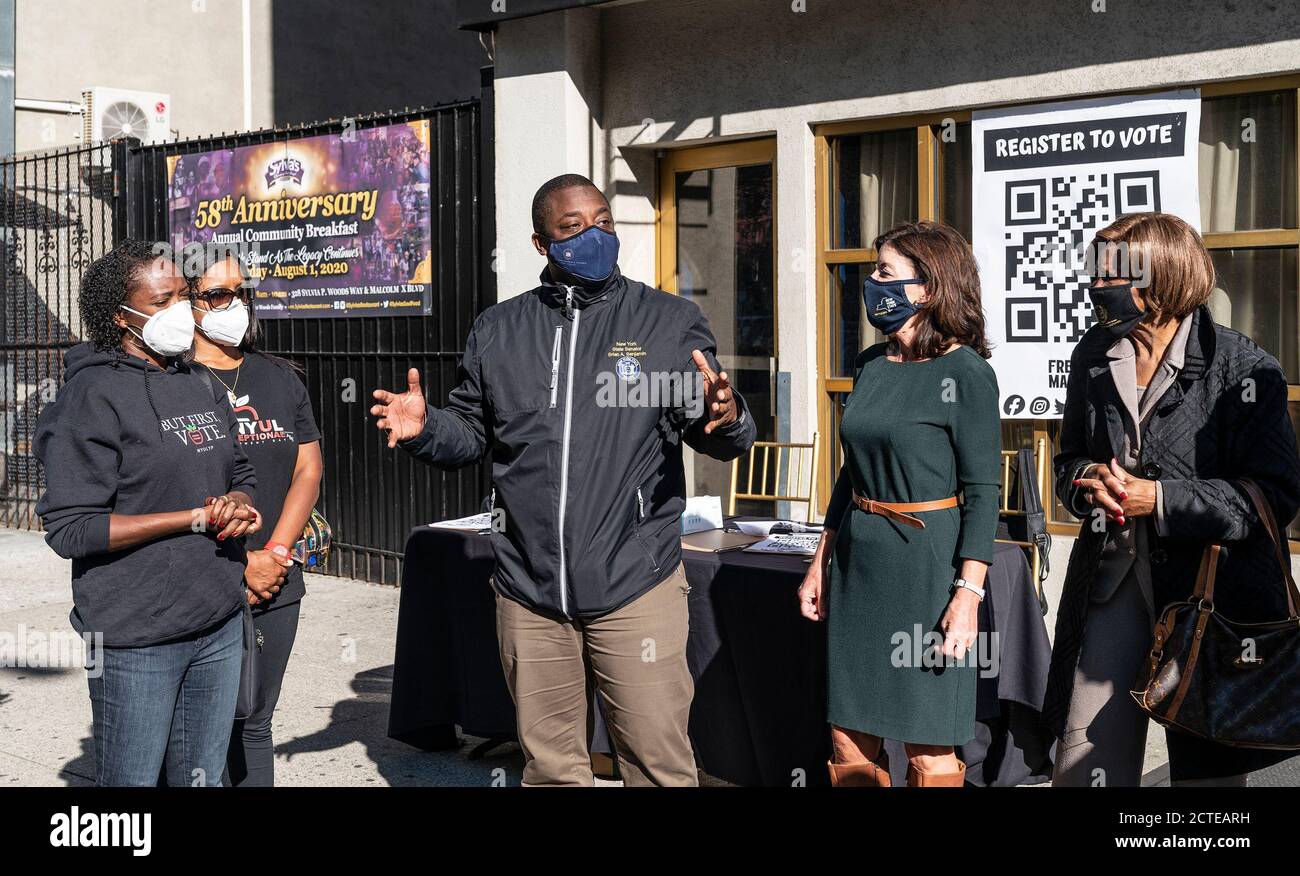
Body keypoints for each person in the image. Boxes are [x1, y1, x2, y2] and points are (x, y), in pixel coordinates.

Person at [370, 173, 756, 786]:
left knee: (657, 762)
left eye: (603, 221)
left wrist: (727, 417)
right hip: (529, 588)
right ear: (540, 242)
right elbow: (471, 434)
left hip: (637, 580)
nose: (594, 235)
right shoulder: (500, 329)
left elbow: (715, 427)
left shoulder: (666, 320)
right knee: (550, 768)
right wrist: (425, 429)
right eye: (572, 227)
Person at [1047, 212, 1300, 787]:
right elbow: (1068, 460)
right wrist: (1088, 480)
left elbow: (1274, 495)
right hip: (1110, 586)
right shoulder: (1093, 354)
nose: (1095, 283)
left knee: (1206, 774)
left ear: (1160, 274)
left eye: (1111, 271)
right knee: (1082, 763)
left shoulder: (1244, 367)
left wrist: (1158, 498)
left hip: (1207, 597)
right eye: (1093, 269)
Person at [33, 240, 260, 787]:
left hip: (218, 620)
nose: (182, 311)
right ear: (121, 315)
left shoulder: (198, 380)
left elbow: (242, 473)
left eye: (185, 296)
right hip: (136, 638)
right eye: (163, 301)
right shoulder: (90, 396)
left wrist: (241, 505)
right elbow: (70, 527)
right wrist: (191, 519)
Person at [798, 221, 1001, 787]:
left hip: (928, 571)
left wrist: (968, 595)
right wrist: (821, 559)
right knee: (848, 739)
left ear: (928, 287)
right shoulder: (869, 364)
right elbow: (850, 475)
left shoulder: (966, 374)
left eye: (886, 272)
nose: (873, 282)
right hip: (860, 569)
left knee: (930, 747)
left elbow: (985, 491)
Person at [186, 249, 323, 787]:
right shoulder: (174, 383)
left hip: (277, 579)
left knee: (256, 721)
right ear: (190, 306)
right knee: (202, 726)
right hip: (205, 578)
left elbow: (307, 469)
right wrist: (239, 566)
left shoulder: (281, 378)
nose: (234, 306)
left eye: (240, 293)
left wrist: (276, 555)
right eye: (219, 295)